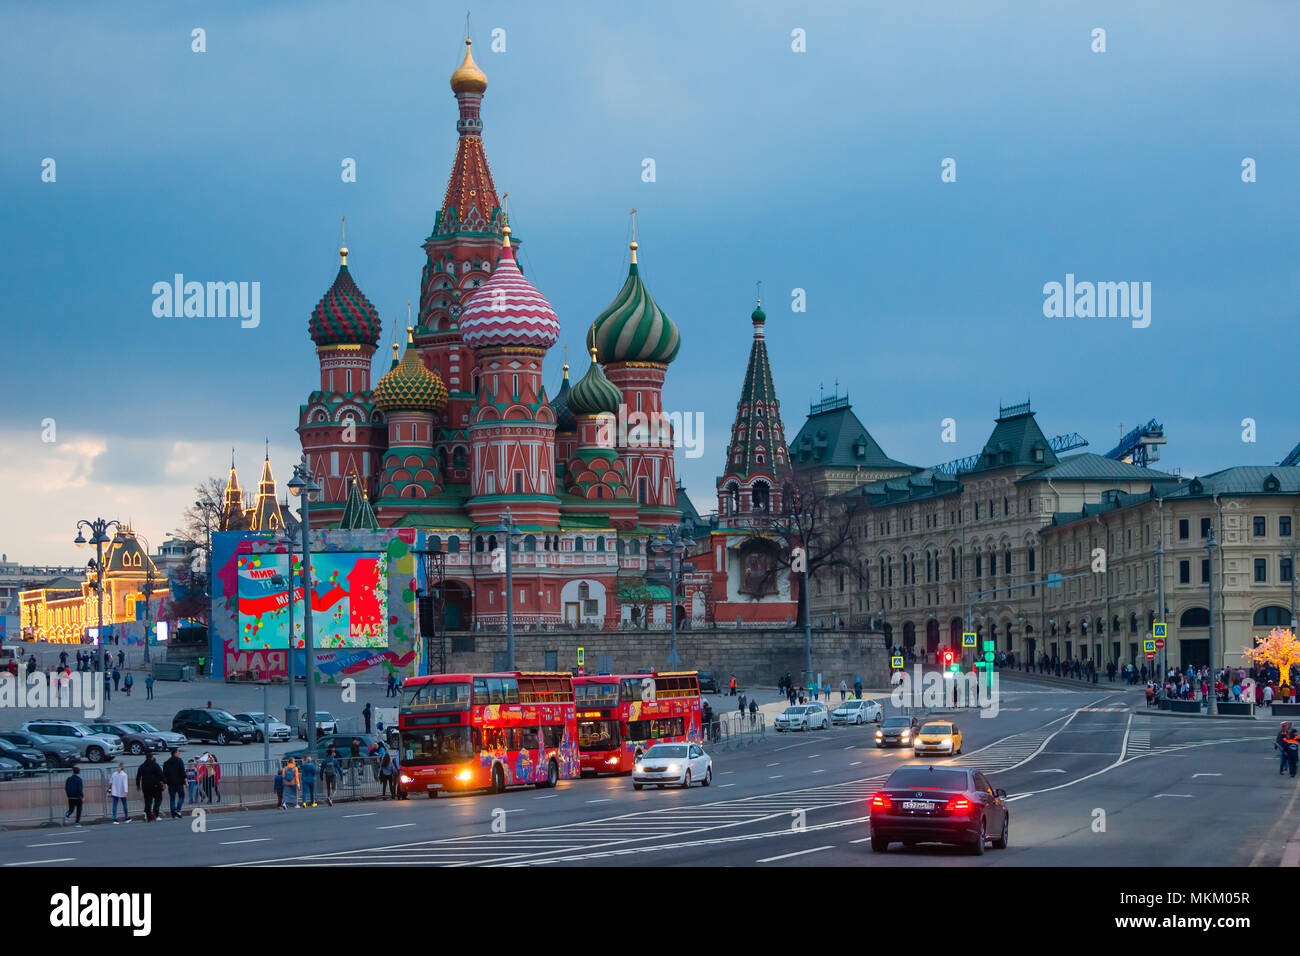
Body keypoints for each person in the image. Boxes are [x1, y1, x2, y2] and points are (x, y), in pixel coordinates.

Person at [135, 753, 165, 822]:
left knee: (148, 801)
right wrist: (164, 782)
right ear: (152, 757)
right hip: (155, 785)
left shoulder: (142, 766)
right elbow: (160, 774)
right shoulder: (155, 765)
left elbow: (138, 777)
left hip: (145, 786)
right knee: (158, 798)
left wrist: (138, 785)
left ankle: (149, 817)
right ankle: (156, 812)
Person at [163, 748, 186, 818]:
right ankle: (178, 809)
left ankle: (173, 814)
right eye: (178, 752)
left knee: (172, 799)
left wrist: (165, 783)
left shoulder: (166, 763)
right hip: (179, 783)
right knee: (182, 796)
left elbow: (164, 774)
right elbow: (182, 772)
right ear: (175, 753)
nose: (179, 753)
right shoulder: (179, 761)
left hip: (171, 784)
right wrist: (186, 781)